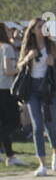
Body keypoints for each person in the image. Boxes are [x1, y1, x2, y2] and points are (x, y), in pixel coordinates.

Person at [16, 17, 56, 177]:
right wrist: (28, 58)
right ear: (32, 30)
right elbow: (19, 65)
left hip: (49, 88)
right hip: (32, 88)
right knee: (37, 127)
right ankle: (41, 165)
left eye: (44, 26)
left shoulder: (52, 46)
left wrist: (53, 63)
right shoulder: (28, 46)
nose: (42, 29)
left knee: (50, 126)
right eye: (39, 26)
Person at [0, 22, 22, 167]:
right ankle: (9, 155)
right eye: (8, 30)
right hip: (5, 88)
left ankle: (10, 155)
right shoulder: (7, 48)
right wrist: (21, 67)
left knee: (3, 121)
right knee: (13, 121)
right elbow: (8, 71)